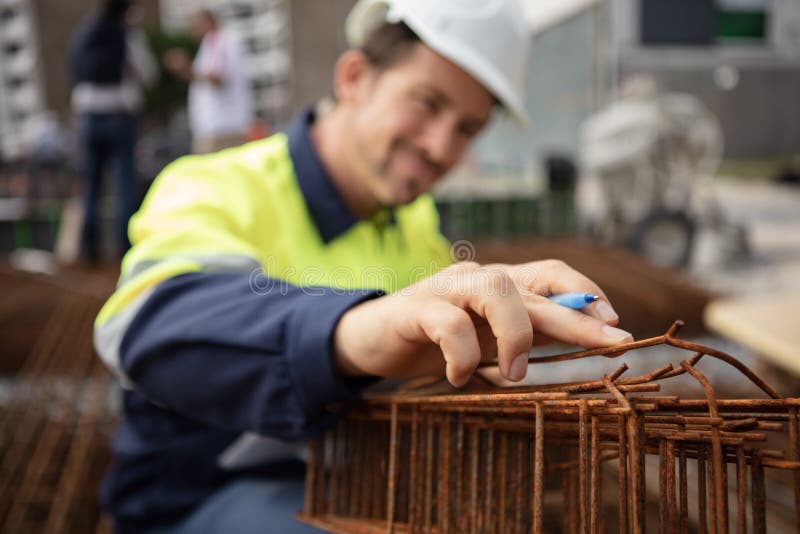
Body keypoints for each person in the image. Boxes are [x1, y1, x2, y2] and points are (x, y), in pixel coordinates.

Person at [94, 0, 634, 532]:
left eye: (467, 128)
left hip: (360, 484)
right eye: (426, 103)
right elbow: (150, 322)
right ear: (354, 77)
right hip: (197, 500)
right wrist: (355, 332)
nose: (440, 147)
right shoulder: (215, 186)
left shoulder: (415, 225)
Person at [70, 0, 158, 262]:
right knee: (124, 184)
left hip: (87, 117)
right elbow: (148, 73)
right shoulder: (128, 35)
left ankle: (90, 248)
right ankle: (124, 247)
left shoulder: (83, 33)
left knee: (92, 185)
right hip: (120, 116)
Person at [163, 9, 254, 154]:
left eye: (194, 26)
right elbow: (205, 79)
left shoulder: (222, 41)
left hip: (223, 128)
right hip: (215, 128)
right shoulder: (209, 44)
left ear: (207, 22)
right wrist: (185, 71)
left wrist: (186, 67)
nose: (192, 31)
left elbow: (219, 78)